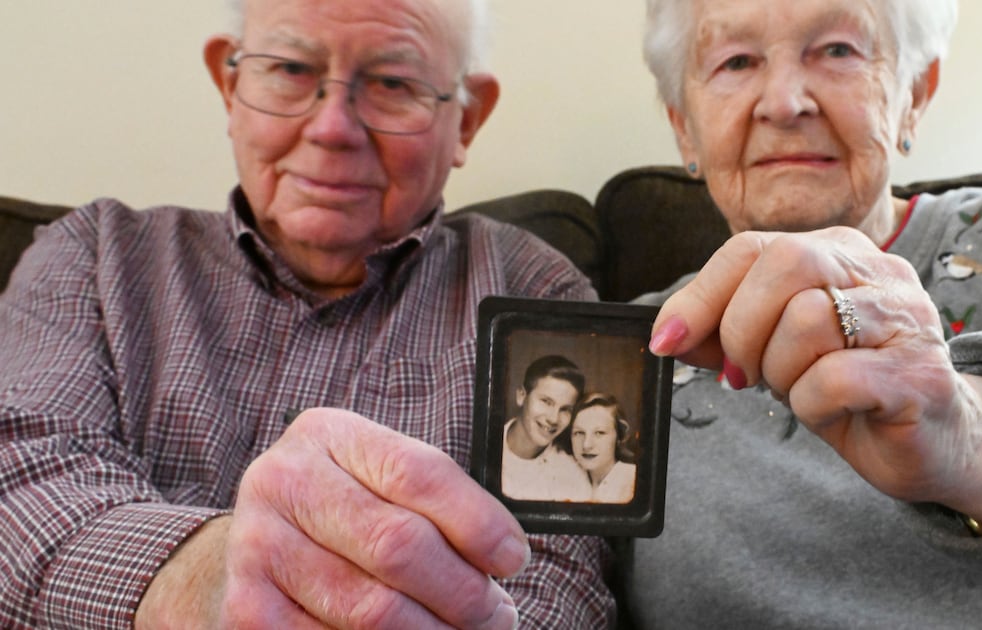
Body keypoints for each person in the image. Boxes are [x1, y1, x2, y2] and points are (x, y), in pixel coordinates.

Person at [0, 0, 616, 627]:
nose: (332, 128)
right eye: (291, 69)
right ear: (230, 83)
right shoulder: (94, 258)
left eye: (393, 84)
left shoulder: (538, 291)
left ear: (465, 121)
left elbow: (556, 580)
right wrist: (206, 578)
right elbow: (18, 483)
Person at [623, 0, 982, 627]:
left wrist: (980, 439)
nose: (785, 102)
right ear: (685, 128)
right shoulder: (637, 346)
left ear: (914, 95)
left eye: (839, 50)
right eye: (736, 61)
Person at [501, 354, 591, 501]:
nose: (553, 418)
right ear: (521, 396)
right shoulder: (483, 446)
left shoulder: (572, 477)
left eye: (565, 409)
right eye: (546, 401)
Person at [557, 393, 638, 504]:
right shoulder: (566, 477)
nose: (586, 445)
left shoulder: (633, 481)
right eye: (579, 433)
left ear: (619, 436)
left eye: (599, 433)